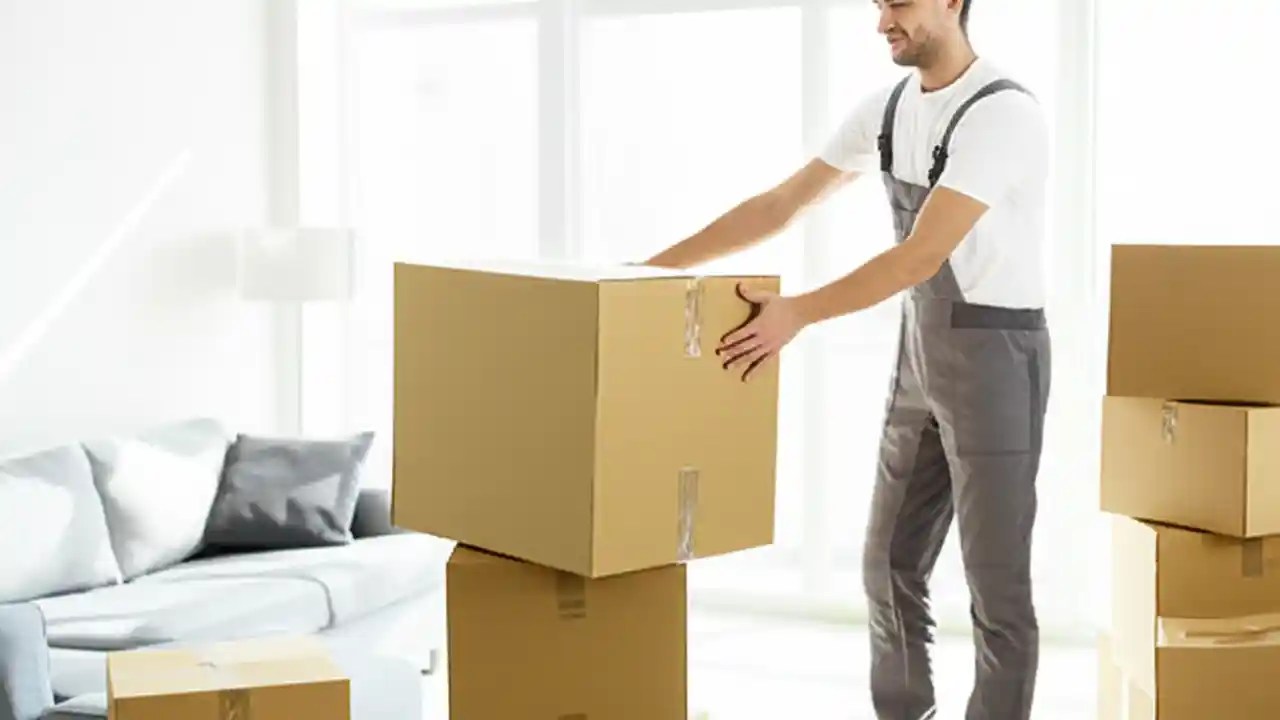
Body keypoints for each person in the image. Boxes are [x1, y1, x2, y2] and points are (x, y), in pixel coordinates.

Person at [643, 1, 1051, 718]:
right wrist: (646, 272)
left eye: (898, 3)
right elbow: (780, 206)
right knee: (887, 561)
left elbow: (919, 255)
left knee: (997, 589)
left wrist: (795, 314)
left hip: (995, 357)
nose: (880, 21)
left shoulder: (1002, 115)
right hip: (920, 352)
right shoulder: (888, 109)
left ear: (952, 2)